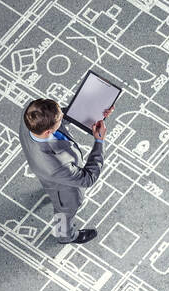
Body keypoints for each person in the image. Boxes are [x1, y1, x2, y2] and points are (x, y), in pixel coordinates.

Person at [18, 98, 113, 245]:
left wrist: (96, 112)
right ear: (49, 131)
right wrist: (99, 141)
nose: (63, 116)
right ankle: (65, 237)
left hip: (46, 174)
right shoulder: (55, 164)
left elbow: (56, 115)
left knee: (50, 187)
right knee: (63, 212)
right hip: (63, 191)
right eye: (60, 119)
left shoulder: (31, 114)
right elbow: (88, 179)